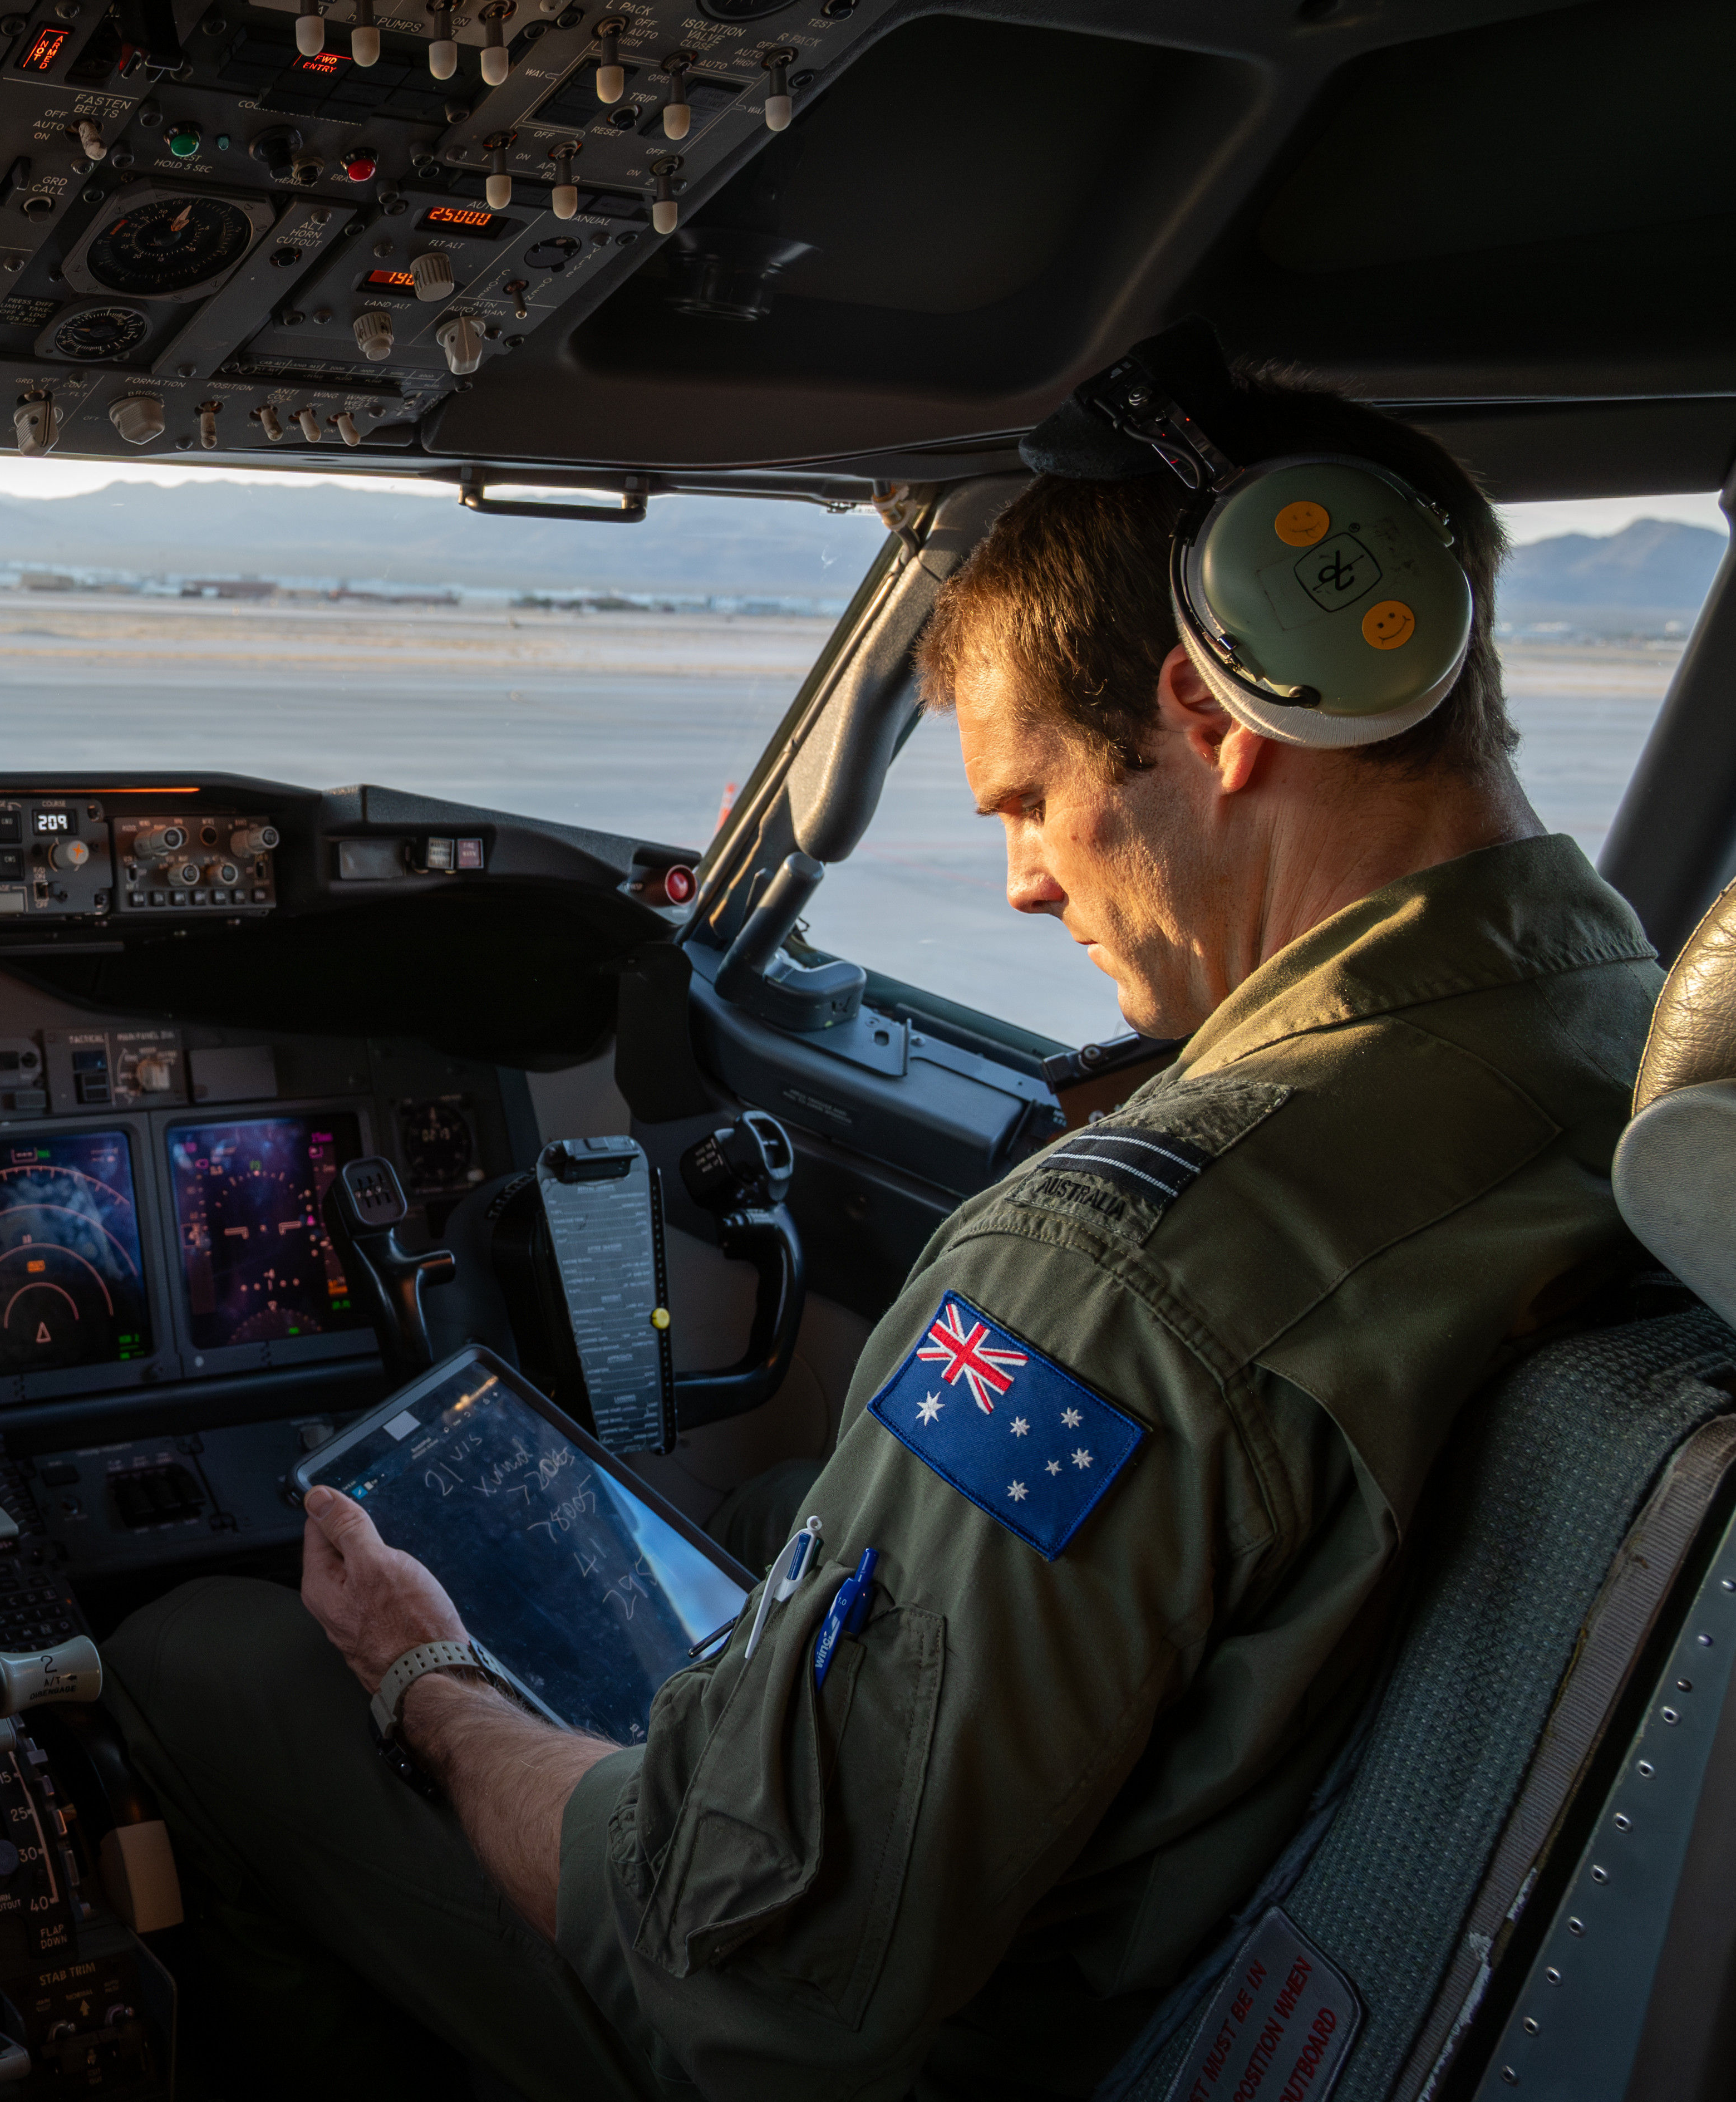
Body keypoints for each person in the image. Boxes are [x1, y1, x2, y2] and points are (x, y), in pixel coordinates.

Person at [106, 361, 1666, 2098]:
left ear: (1212, 721)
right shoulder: (1632, 1041)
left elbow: (725, 1961)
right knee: (773, 1513)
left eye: (1021, 800)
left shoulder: (1112, 1273)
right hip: (1262, 1906)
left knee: (210, 1657)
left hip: (939, 2041)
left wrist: (423, 1679)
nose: (1017, 881)